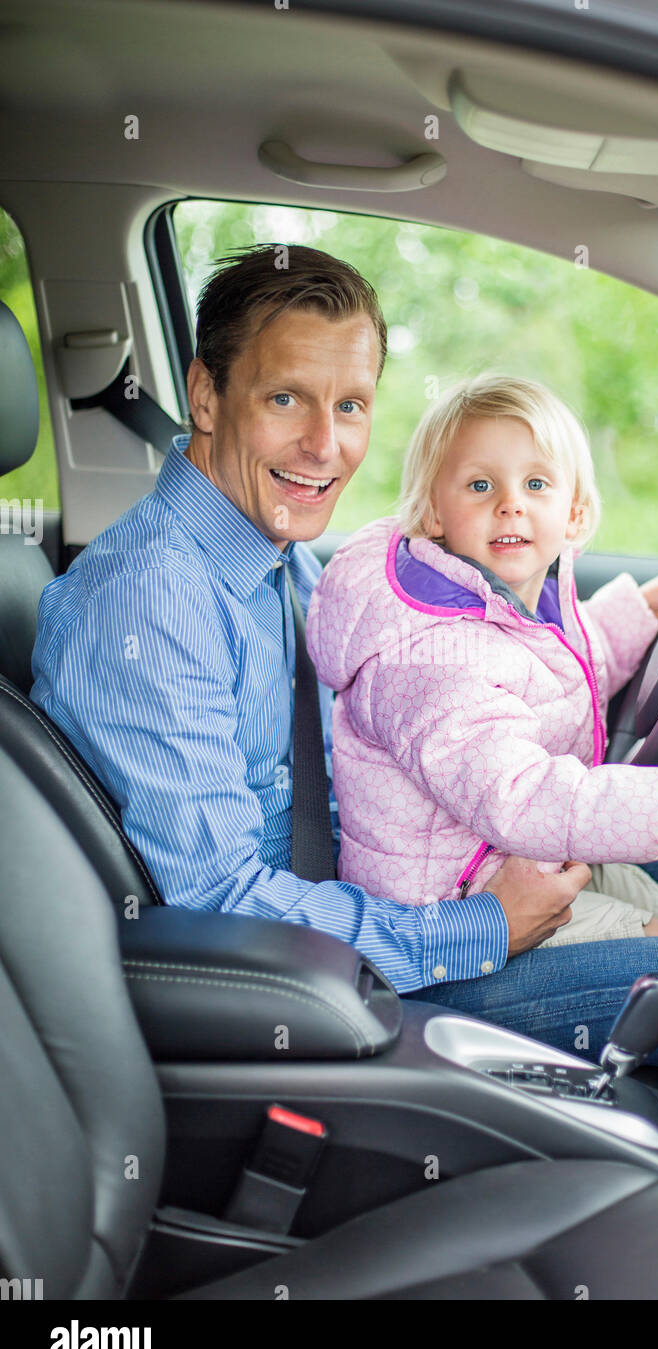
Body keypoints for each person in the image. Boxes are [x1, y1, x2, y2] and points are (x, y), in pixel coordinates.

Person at [30, 246, 587, 1001]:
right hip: (325, 991)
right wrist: (481, 927)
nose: (327, 446)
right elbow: (221, 904)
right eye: (286, 399)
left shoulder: (282, 560)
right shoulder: (149, 603)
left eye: (351, 405)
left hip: (396, 895)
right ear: (205, 396)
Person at [306, 372, 658, 1112]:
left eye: (535, 483)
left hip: (514, 860)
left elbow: (554, 668)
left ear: (572, 514)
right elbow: (518, 794)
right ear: (433, 514)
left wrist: (637, 614)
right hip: (457, 930)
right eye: (479, 485)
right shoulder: (428, 659)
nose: (509, 502)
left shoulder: (512, 593)